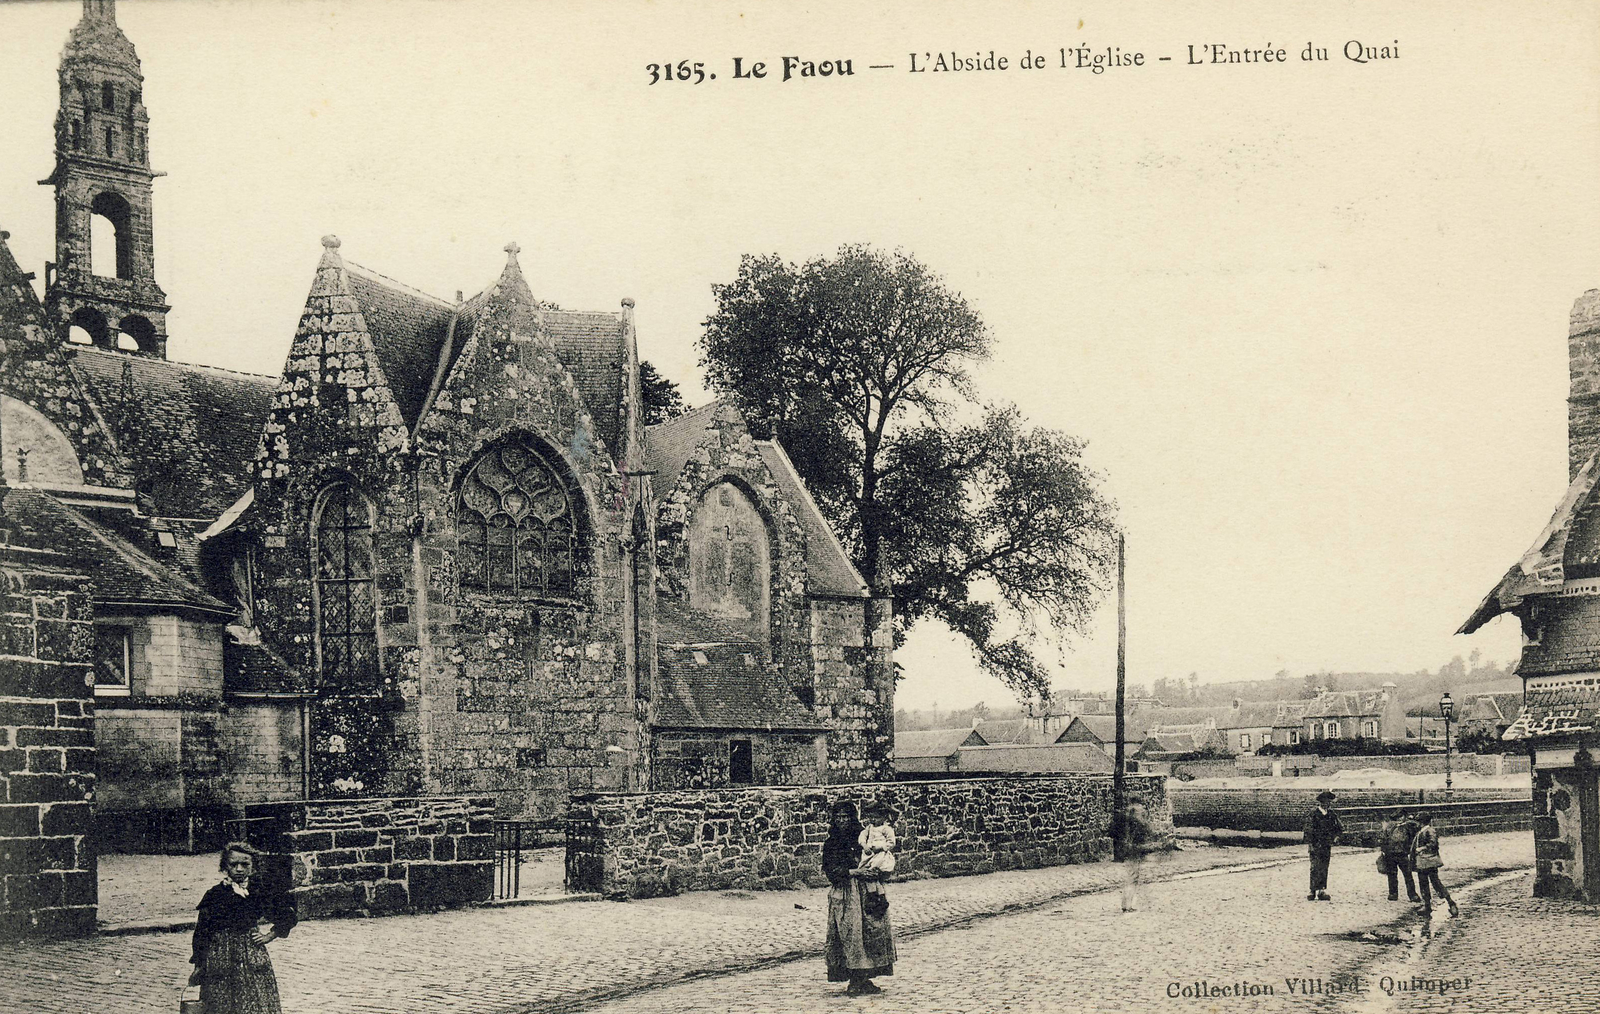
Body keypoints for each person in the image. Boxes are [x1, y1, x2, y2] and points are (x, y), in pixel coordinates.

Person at [189, 841, 298, 1014]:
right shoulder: (214, 894)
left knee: (254, 1001)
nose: (239, 869)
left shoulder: (259, 891)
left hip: (251, 956)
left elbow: (287, 914)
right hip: (220, 958)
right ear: (225, 866)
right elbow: (202, 932)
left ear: (253, 867)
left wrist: (269, 935)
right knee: (221, 1003)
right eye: (233, 864)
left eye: (245, 864)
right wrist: (199, 964)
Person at [822, 800, 896, 997]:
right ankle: (854, 979)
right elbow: (831, 871)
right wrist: (854, 872)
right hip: (846, 893)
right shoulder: (832, 842)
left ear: (852, 818)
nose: (842, 821)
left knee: (871, 933)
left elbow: (880, 853)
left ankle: (864, 978)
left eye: (846, 817)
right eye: (838, 817)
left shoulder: (865, 836)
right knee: (850, 935)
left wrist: (876, 871)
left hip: (867, 891)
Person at [1410, 812, 1460, 918]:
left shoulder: (1430, 831)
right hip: (1421, 863)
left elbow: (1433, 844)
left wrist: (1422, 848)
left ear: (1422, 822)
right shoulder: (1421, 831)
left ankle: (1451, 903)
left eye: (1419, 821)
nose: (1417, 823)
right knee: (1423, 884)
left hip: (1429, 862)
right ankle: (1427, 906)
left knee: (1436, 883)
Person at [856, 803, 897, 918]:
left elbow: (891, 842)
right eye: (872, 817)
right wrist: (864, 846)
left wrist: (880, 847)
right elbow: (862, 836)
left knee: (873, 875)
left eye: (877, 817)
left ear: (884, 818)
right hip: (869, 856)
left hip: (879, 856)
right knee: (869, 875)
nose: (874, 819)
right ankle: (879, 898)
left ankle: (875, 898)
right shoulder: (869, 828)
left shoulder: (886, 829)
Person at [1304, 789, 1342, 901]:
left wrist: (1336, 837)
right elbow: (1308, 830)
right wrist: (1310, 844)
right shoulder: (1313, 814)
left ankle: (1321, 890)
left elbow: (1339, 827)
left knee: (1324, 867)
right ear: (1321, 802)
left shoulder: (1331, 814)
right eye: (1325, 802)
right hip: (1315, 844)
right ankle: (1312, 890)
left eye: (1329, 802)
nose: (1327, 804)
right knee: (1314, 867)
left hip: (1326, 845)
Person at [1376, 811, 1422, 903]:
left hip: (1398, 854)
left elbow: (1382, 839)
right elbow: (1382, 839)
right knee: (1398, 875)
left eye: (1402, 817)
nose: (1400, 819)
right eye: (1399, 817)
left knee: (1403, 875)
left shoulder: (1406, 826)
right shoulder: (1393, 827)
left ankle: (1406, 894)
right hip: (1395, 854)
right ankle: (1399, 894)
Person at [1117, 801, 1154, 912]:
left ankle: (1125, 904)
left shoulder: (1128, 823)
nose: (1143, 812)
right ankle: (1127, 905)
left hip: (1129, 852)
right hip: (1134, 853)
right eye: (1141, 810)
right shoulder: (1138, 825)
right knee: (1132, 878)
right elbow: (1140, 842)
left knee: (1130, 877)